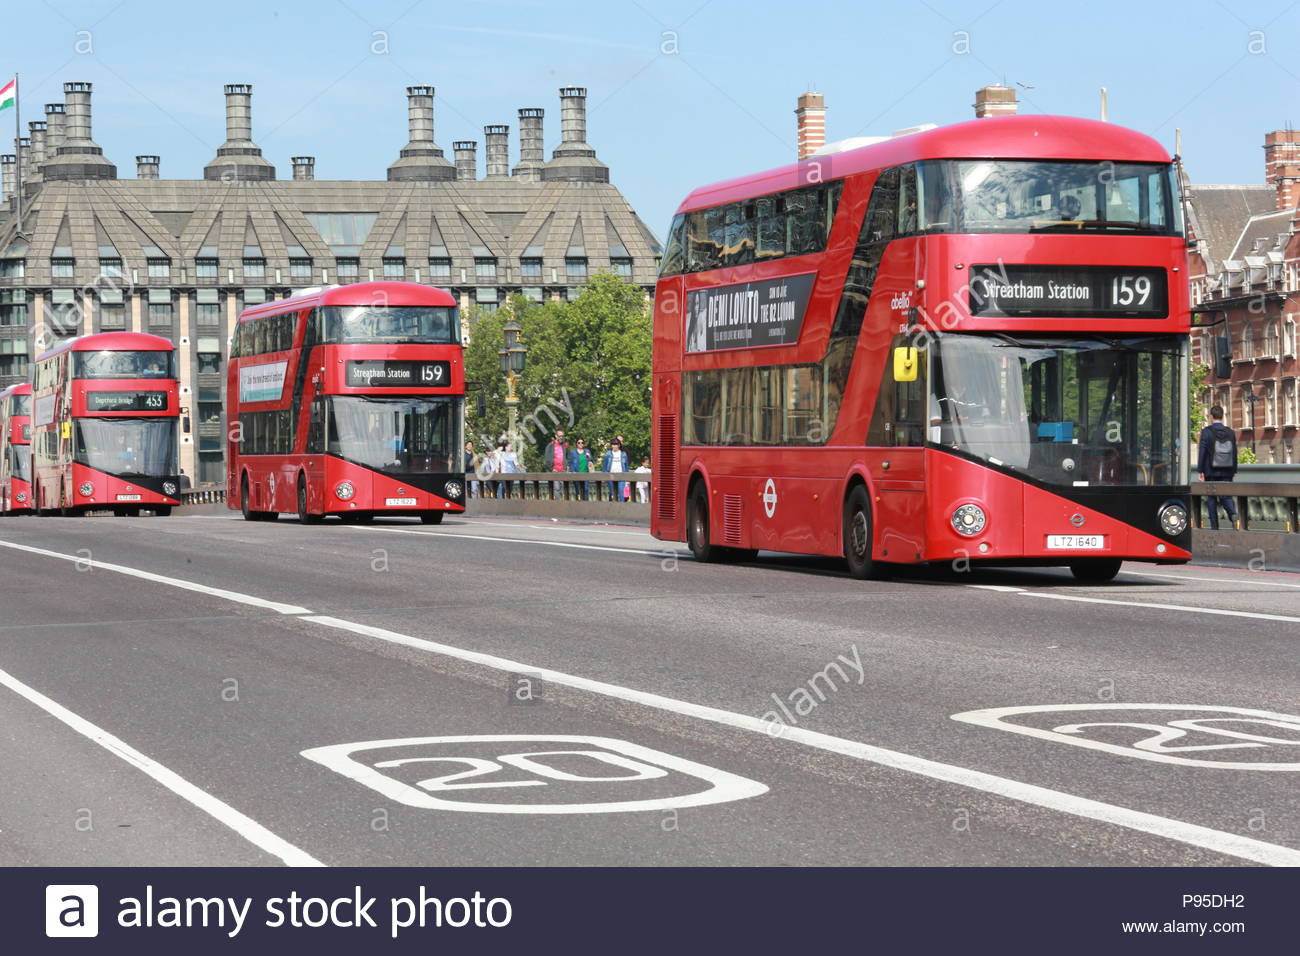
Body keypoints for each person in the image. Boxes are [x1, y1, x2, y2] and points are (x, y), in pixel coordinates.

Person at [1197, 404, 1239, 531]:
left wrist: (1200, 470)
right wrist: (1234, 470)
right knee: (1226, 495)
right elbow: (1234, 452)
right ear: (1222, 416)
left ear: (1211, 417)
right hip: (1227, 470)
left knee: (1211, 498)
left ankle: (1215, 527)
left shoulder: (1206, 432)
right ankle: (1233, 514)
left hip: (1210, 470)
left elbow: (1202, 452)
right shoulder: (1230, 432)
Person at [542, 429, 569, 498]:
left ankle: (564, 505)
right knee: (556, 489)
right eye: (559, 436)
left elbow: (568, 456)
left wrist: (567, 466)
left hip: (563, 471)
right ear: (556, 436)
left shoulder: (564, 445)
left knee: (564, 489)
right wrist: (551, 469)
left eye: (562, 436)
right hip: (555, 471)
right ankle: (558, 505)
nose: (561, 437)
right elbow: (546, 459)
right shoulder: (551, 445)